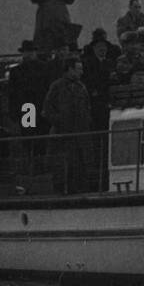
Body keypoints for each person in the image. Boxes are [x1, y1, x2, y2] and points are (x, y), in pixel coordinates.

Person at [42, 57, 93, 192]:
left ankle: (76, 190)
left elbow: (87, 107)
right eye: (78, 69)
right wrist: (60, 121)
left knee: (79, 165)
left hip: (79, 134)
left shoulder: (81, 87)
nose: (81, 72)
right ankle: (61, 191)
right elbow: (47, 109)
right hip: (62, 134)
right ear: (70, 70)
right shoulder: (57, 86)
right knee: (61, 166)